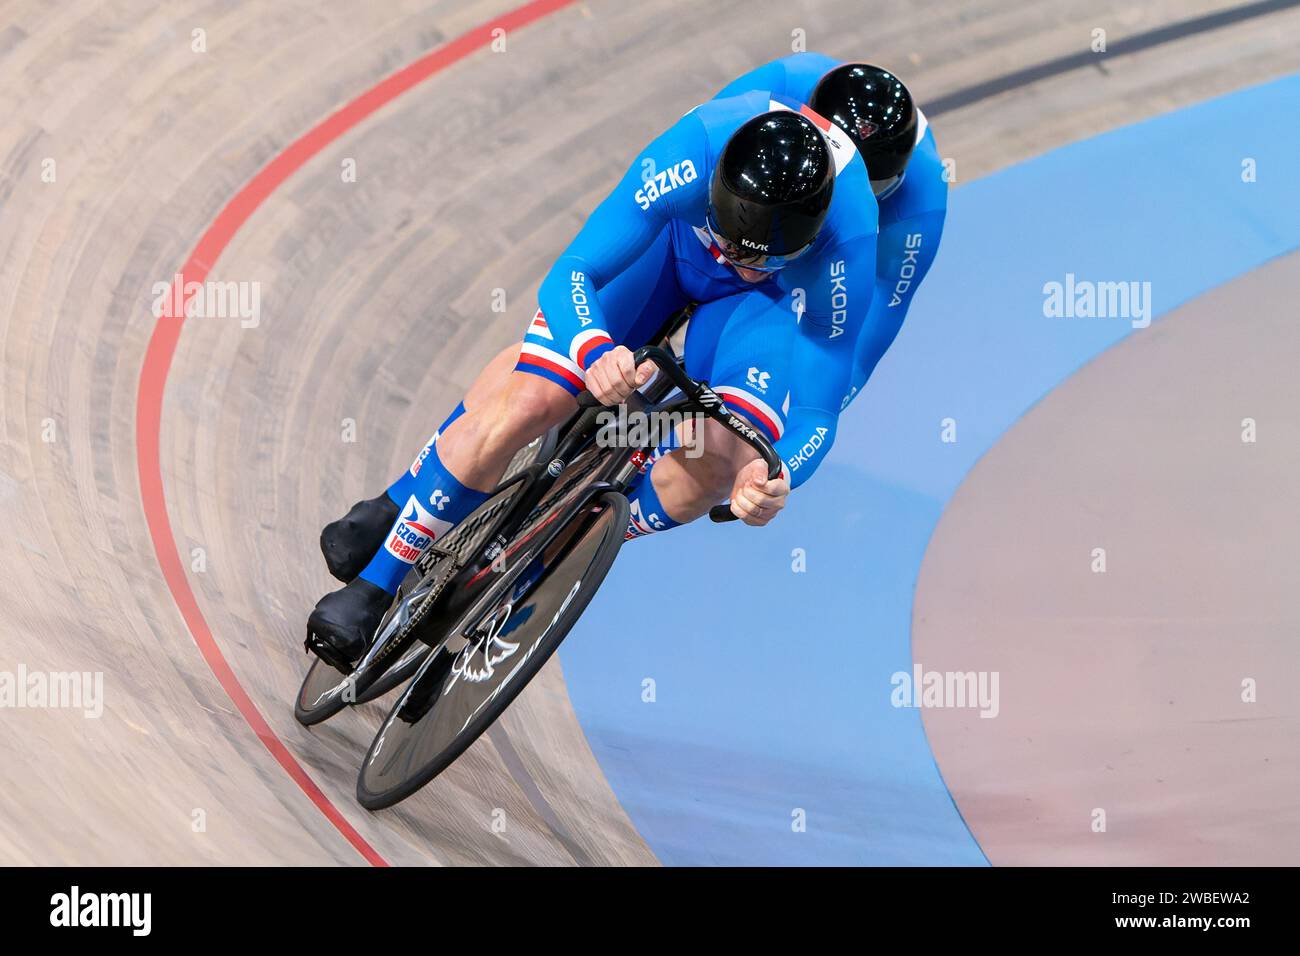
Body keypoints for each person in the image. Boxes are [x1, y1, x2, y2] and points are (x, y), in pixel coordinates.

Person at [307, 89, 881, 668]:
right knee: (534, 398)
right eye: (730, 241)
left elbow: (818, 405)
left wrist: (777, 472)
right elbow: (574, 272)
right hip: (671, 243)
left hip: (762, 307)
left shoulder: (850, 244)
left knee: (723, 456)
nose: (734, 259)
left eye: (759, 255)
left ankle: (534, 571)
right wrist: (594, 348)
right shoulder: (691, 153)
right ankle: (375, 583)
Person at [716, 55, 948, 409]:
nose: (848, 192)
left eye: (866, 187)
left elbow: (875, 322)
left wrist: (810, 412)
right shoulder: (778, 85)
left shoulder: (922, 199)